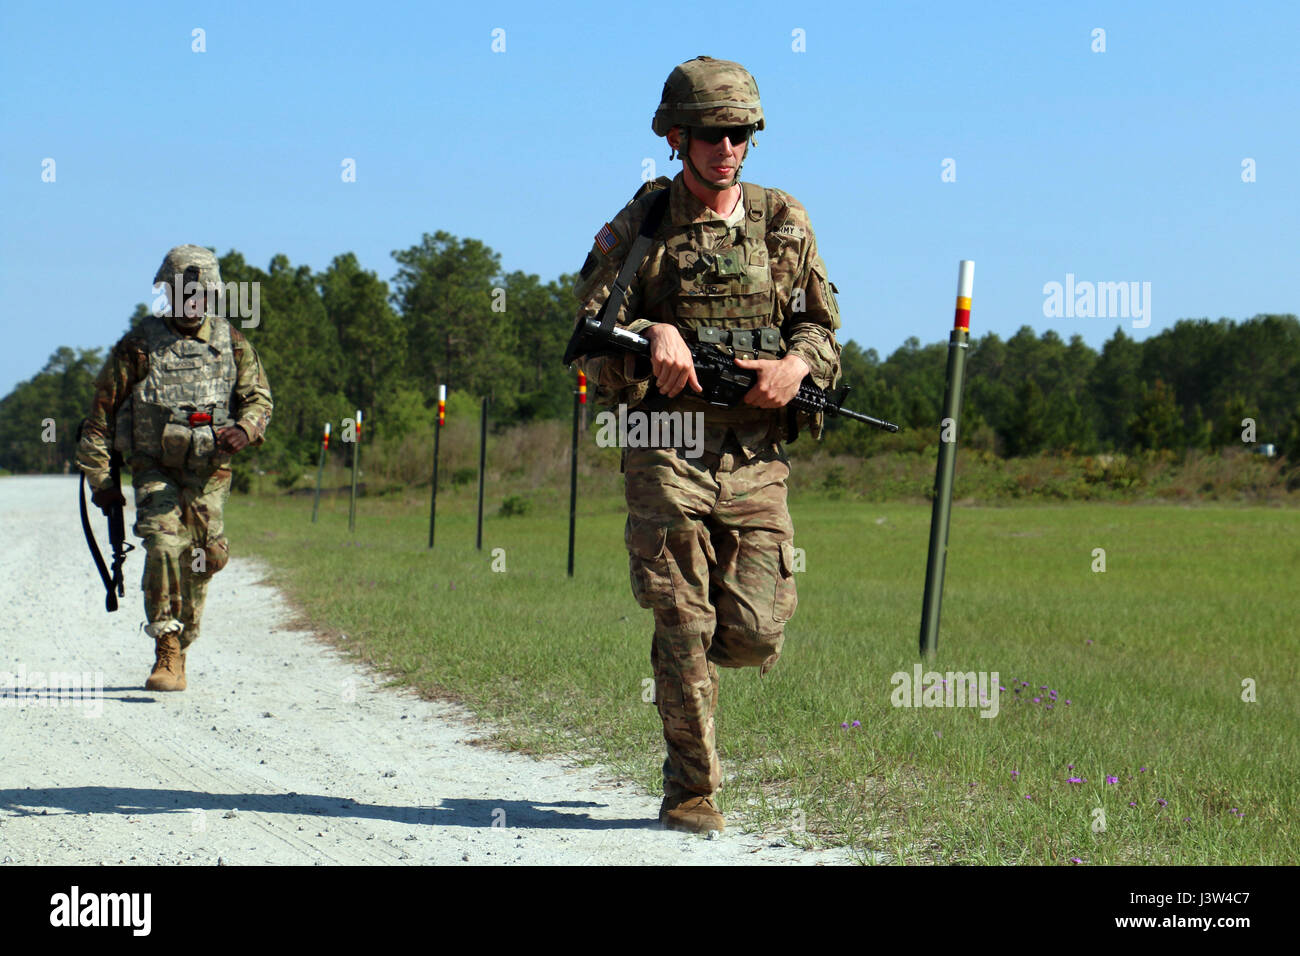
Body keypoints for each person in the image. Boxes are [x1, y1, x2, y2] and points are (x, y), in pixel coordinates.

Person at [570, 57, 843, 834]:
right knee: (681, 620)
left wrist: (796, 367)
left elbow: (819, 327)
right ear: (678, 138)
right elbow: (587, 343)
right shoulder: (642, 229)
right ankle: (693, 786)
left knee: (755, 631)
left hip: (755, 452)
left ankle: (701, 677)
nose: (728, 149)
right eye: (713, 135)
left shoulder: (783, 220)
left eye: (741, 134)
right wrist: (651, 335)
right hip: (665, 439)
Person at [77, 244, 273, 692]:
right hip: (155, 468)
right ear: (167, 292)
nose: (192, 302)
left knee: (204, 557)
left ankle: (184, 643)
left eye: (200, 293)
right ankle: (166, 642)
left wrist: (246, 427)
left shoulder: (232, 343)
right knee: (164, 544)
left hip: (209, 473)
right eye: (183, 292)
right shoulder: (139, 347)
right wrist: (104, 482)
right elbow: (100, 419)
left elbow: (260, 398)